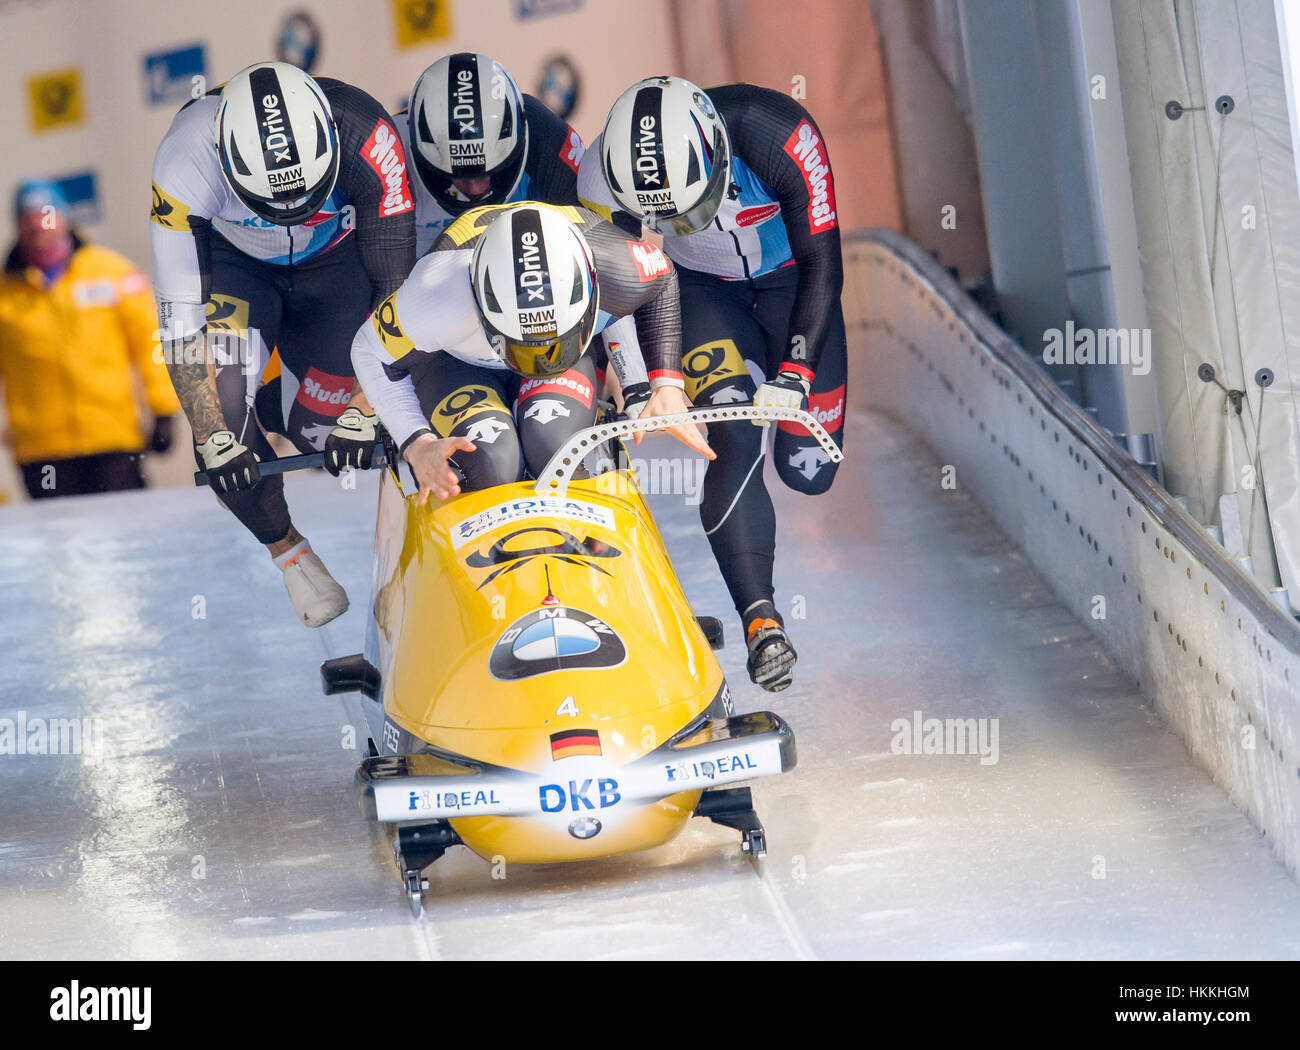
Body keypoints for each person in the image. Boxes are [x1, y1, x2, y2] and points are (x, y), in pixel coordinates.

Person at [579, 75, 847, 692]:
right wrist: (645, 380)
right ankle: (762, 621)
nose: (684, 221)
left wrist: (798, 369)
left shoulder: (780, 133)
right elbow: (611, 286)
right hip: (698, 292)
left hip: (792, 284)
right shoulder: (599, 175)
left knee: (810, 467)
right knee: (733, 430)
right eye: (667, 216)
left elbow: (823, 261)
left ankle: (797, 400)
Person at [150, 61, 416, 626]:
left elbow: (398, 292)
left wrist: (368, 410)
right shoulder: (183, 162)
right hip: (234, 264)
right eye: (275, 204)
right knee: (217, 428)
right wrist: (212, 435)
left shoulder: (367, 136)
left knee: (321, 426)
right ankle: (290, 554)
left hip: (338, 263)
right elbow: (179, 325)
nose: (291, 213)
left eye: (306, 196)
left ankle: (278, 397)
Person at [351, 202, 711, 503]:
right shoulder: (437, 293)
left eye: (547, 346)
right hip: (455, 363)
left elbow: (662, 281)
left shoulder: (618, 263)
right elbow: (369, 351)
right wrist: (418, 444)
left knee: (554, 447)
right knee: (494, 462)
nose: (535, 363)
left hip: (561, 353)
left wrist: (665, 386)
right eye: (523, 348)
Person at [0, 179, 177, 499]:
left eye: (47, 215)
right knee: (61, 542)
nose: (39, 225)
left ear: (65, 218)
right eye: (28, 218)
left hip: (112, 442)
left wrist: (163, 409)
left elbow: (150, 341)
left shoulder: (111, 272)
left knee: (126, 536)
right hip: (43, 454)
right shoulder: (5, 294)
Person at [398, 51, 586, 254]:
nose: (475, 188)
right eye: (458, 176)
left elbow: (589, 234)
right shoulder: (391, 150)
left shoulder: (547, 137)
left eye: (485, 172)